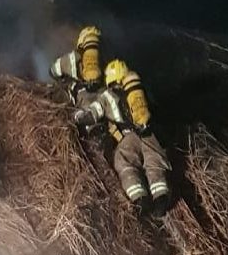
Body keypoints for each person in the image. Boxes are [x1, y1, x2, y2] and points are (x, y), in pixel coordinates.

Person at [50, 28, 172, 216]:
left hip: (128, 139)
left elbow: (92, 111)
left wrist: (77, 117)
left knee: (124, 162)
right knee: (154, 163)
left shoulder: (107, 94)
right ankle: (161, 198)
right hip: (150, 134)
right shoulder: (141, 89)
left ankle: (139, 199)